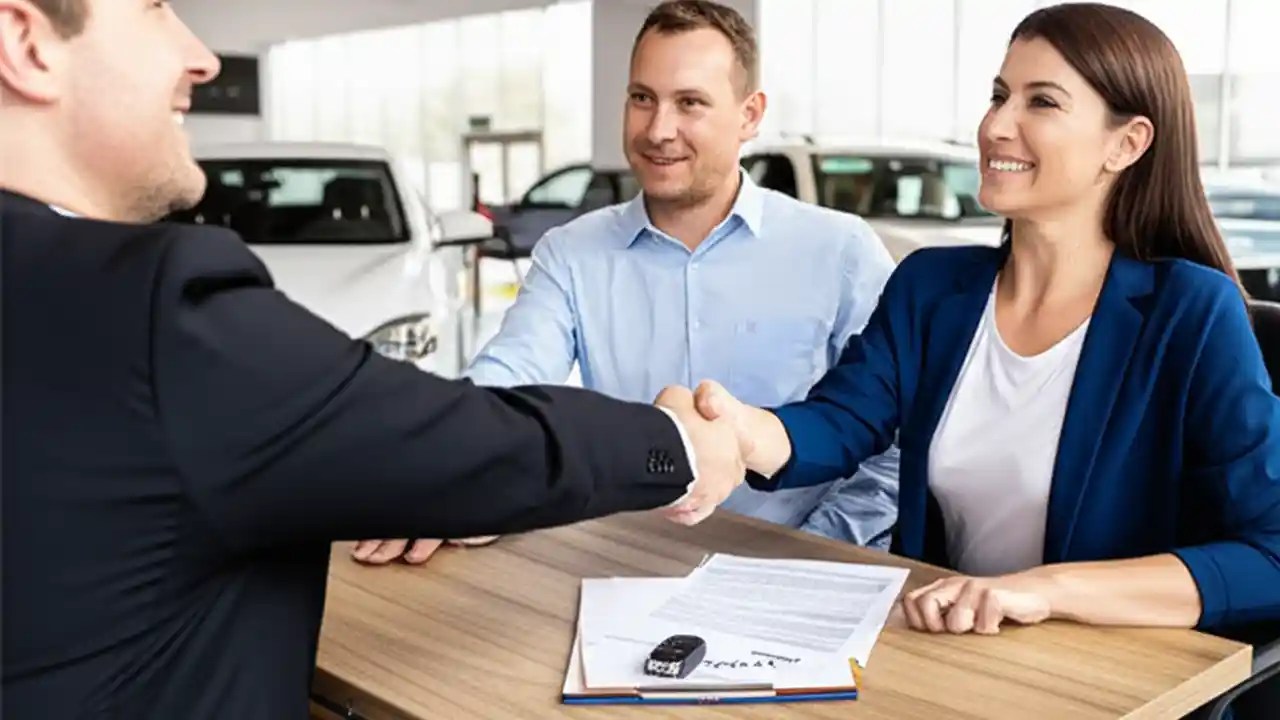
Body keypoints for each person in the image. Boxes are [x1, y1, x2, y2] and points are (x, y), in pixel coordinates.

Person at [0, 1, 747, 717]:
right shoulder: (151, 303)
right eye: (155, 7)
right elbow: (470, 441)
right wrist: (678, 443)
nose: (202, 59)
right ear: (28, 47)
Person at [682, 0, 1280, 639]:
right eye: (999, 96)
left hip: (1111, 668)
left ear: (1125, 143)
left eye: (1041, 102)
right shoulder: (932, 287)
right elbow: (839, 422)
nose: (996, 125)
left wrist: (1046, 589)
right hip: (954, 650)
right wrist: (740, 432)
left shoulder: (1190, 312)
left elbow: (1271, 553)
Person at [351, 0, 902, 567]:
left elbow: (898, 445)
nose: (658, 130)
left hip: (795, 563)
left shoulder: (839, 251)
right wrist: (449, 474)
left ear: (749, 114)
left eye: (689, 103)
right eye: (642, 98)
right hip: (622, 564)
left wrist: (814, 551)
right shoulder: (571, 254)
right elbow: (507, 382)